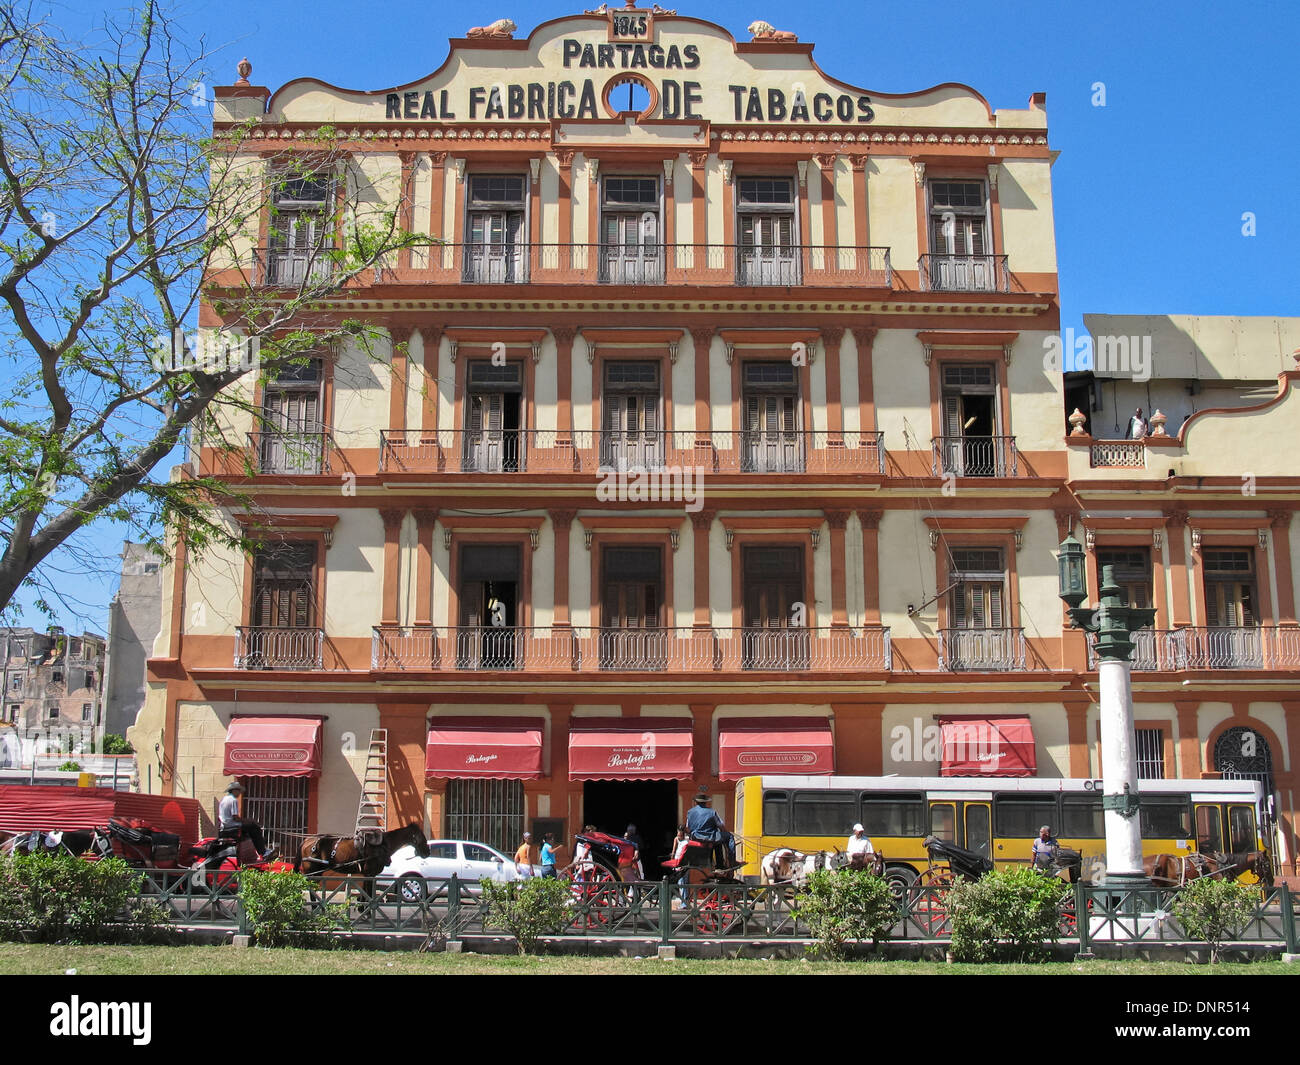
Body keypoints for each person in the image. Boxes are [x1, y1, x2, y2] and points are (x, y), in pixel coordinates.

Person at [217, 782, 275, 861]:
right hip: (232, 825)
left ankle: (252, 852)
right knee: (255, 827)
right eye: (238, 791)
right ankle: (263, 851)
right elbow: (235, 817)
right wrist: (247, 820)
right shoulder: (233, 800)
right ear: (234, 790)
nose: (239, 793)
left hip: (225, 826)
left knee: (249, 828)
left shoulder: (223, 799)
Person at [686, 786, 735, 868]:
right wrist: (725, 832)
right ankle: (731, 861)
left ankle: (719, 864)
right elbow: (721, 826)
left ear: (696, 802)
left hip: (695, 837)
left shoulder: (689, 812)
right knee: (729, 837)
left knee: (718, 839)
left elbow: (688, 827)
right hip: (710, 837)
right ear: (705, 802)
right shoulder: (712, 812)